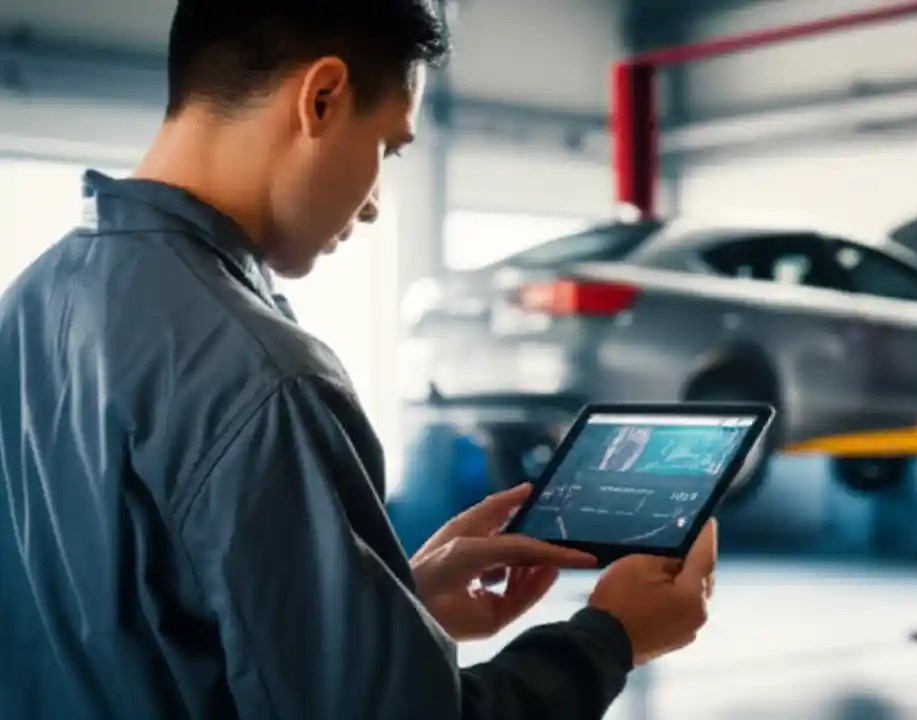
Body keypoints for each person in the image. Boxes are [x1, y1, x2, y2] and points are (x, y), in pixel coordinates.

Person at [0, 1, 716, 718]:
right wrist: (610, 638)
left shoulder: (33, 299)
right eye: (388, 146)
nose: (374, 203)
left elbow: (139, 628)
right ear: (321, 98)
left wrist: (386, 604)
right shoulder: (262, 372)